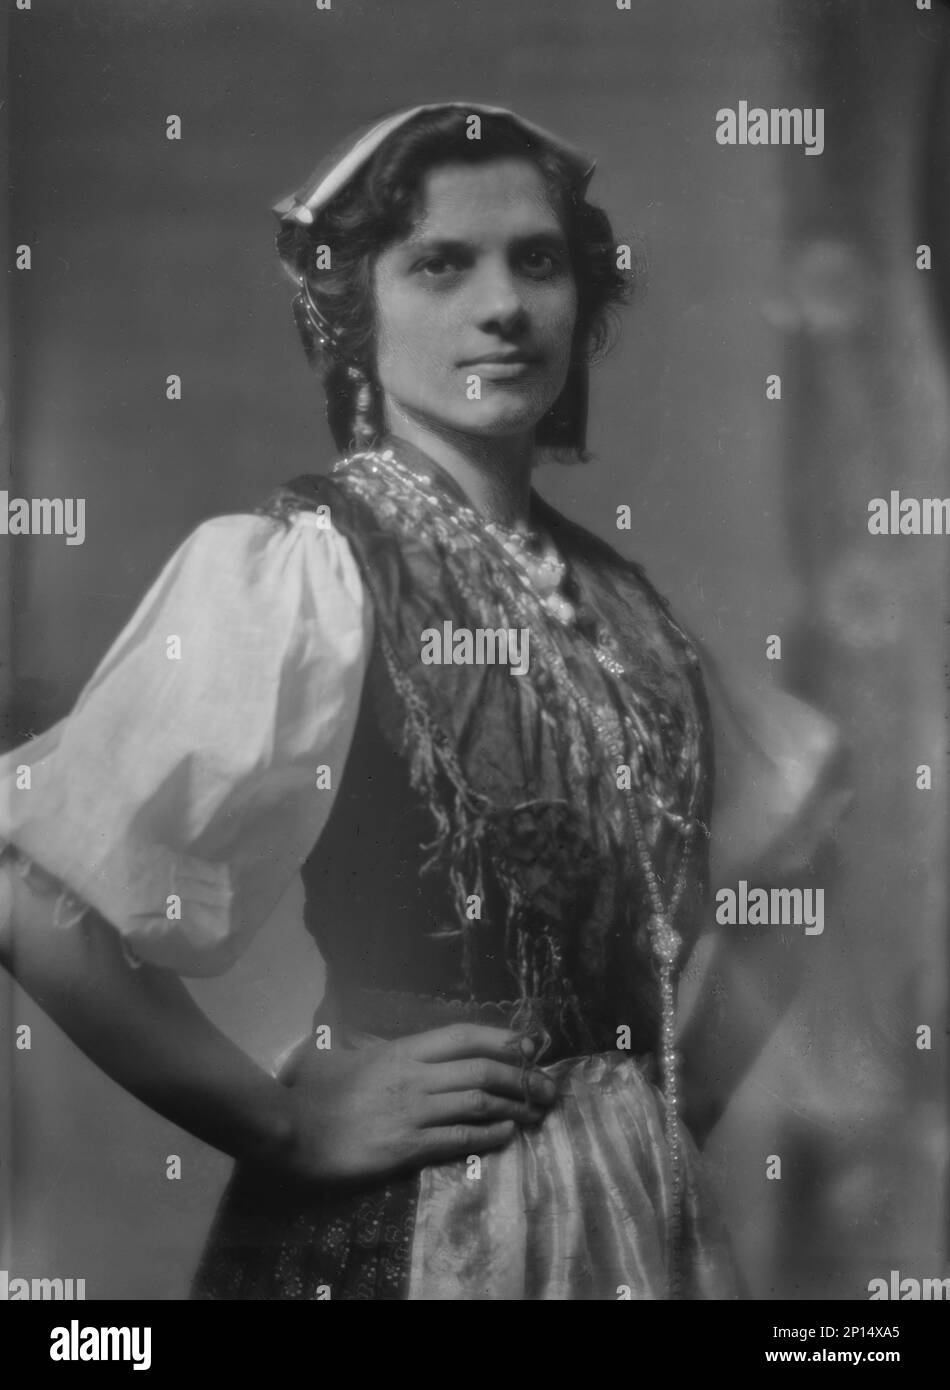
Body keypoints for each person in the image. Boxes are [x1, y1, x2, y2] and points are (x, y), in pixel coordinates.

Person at [0, 103, 839, 1300]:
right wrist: (285, 1122)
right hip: (418, 1230)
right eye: (440, 264)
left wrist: (658, 1110)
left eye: (536, 261)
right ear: (353, 311)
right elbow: (31, 894)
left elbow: (805, 847)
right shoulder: (306, 572)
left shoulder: (626, 605)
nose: (502, 305)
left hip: (634, 1227)